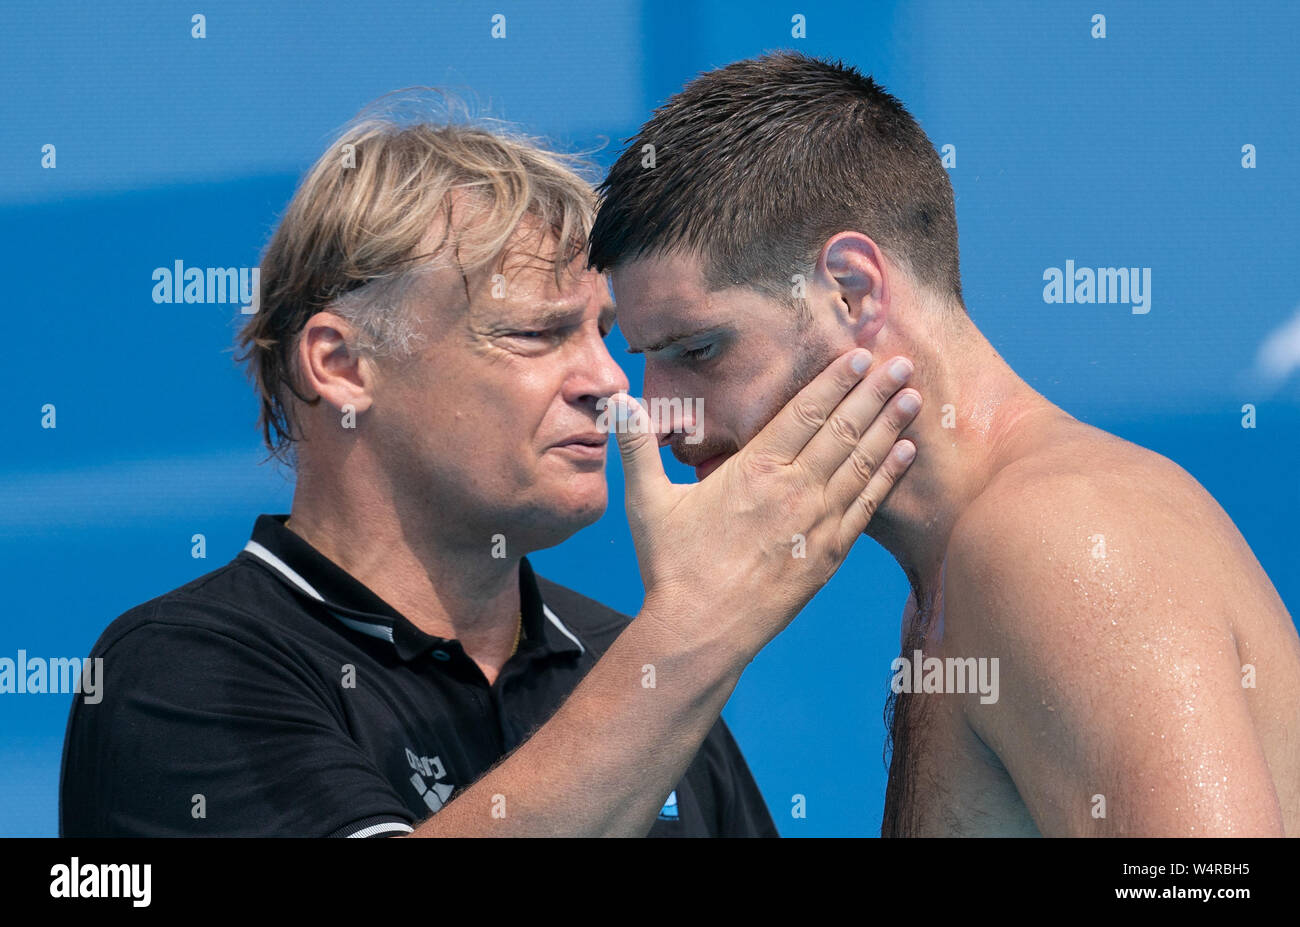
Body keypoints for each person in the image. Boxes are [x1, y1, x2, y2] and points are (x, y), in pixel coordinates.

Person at [59, 97, 922, 837]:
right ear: (341, 365)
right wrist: (699, 625)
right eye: (537, 334)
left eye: (602, 332)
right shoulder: (176, 672)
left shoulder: (630, 660)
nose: (608, 380)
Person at [588, 52, 1300, 837]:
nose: (659, 415)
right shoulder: (963, 564)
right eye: (644, 359)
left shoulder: (1061, 536)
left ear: (851, 290)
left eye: (699, 351)